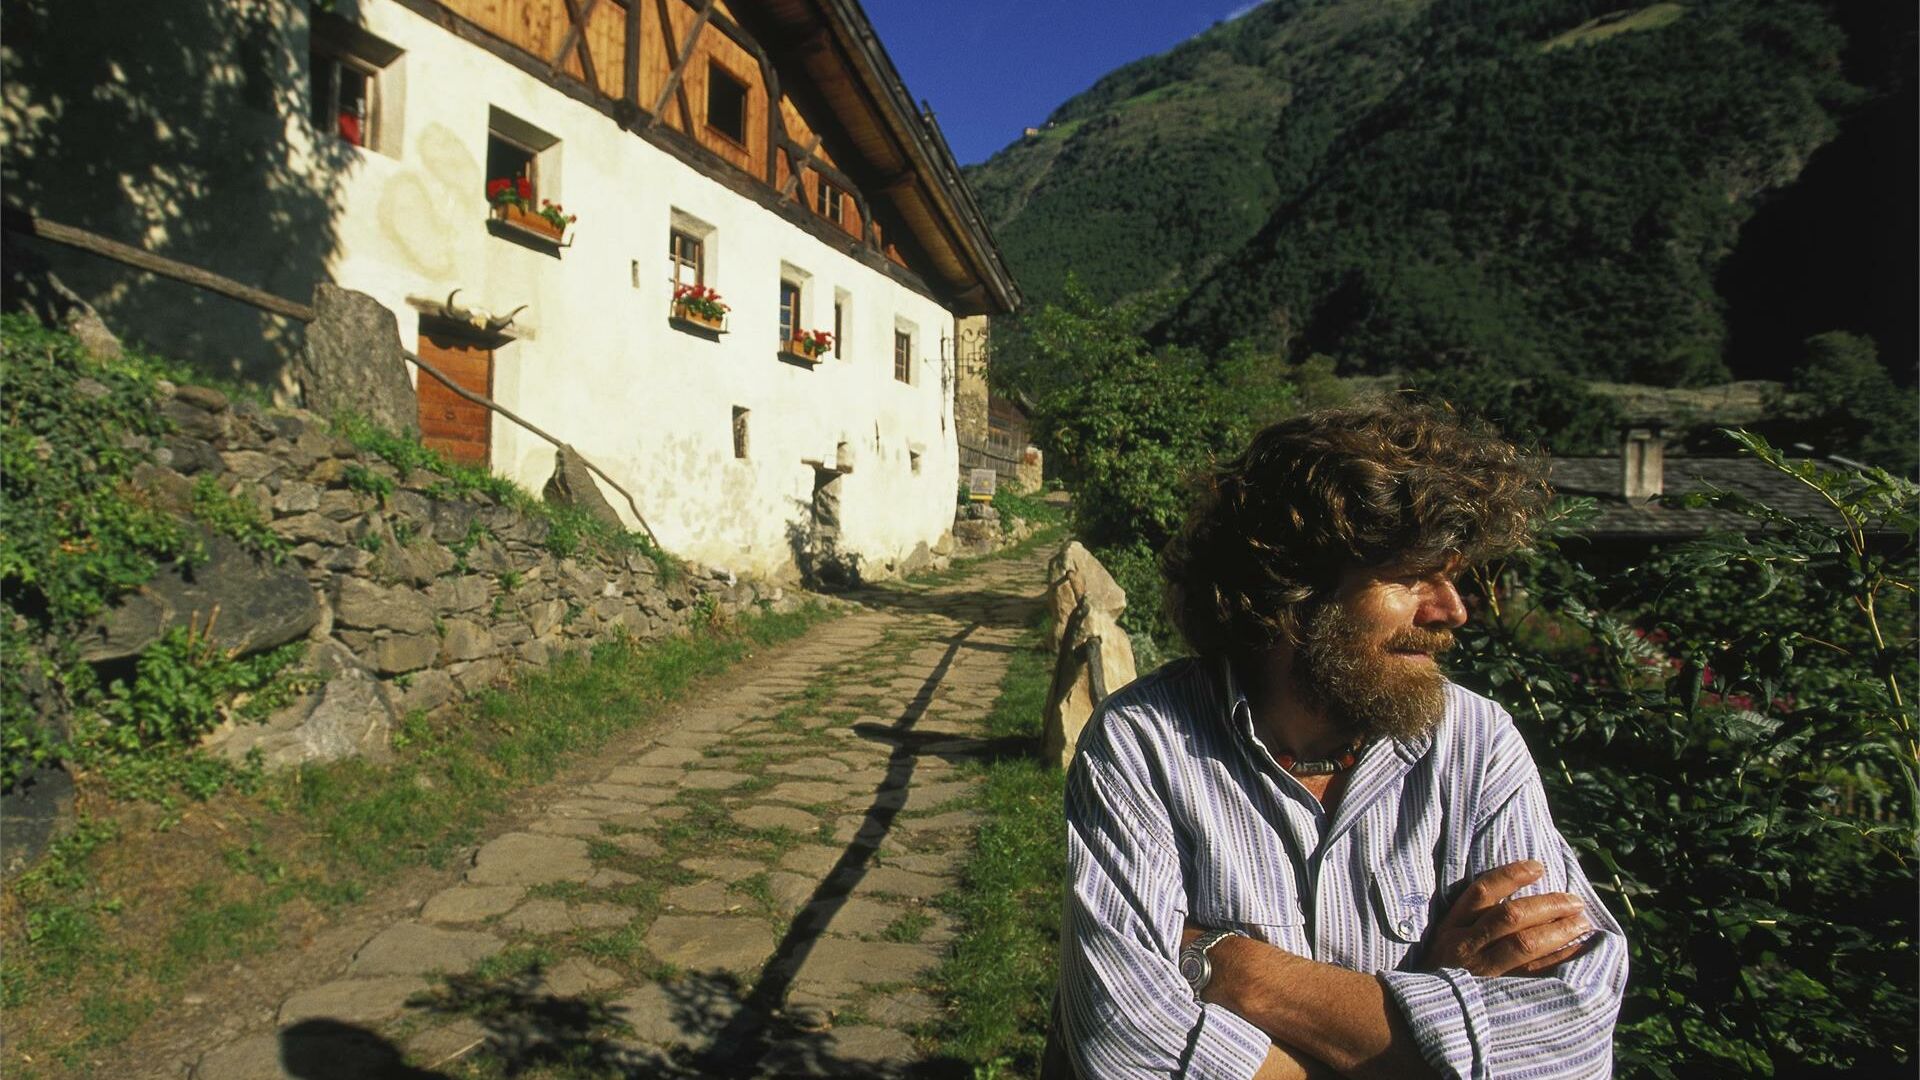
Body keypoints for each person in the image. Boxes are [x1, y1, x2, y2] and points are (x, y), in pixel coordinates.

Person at [1050, 401, 1628, 1079]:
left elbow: (1571, 1045)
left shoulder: (1477, 743)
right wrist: (1426, 1034)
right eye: (1413, 576)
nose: (1452, 612)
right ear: (1291, 585)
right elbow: (1128, 1052)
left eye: (1455, 575)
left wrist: (1239, 968)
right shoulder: (1144, 747)